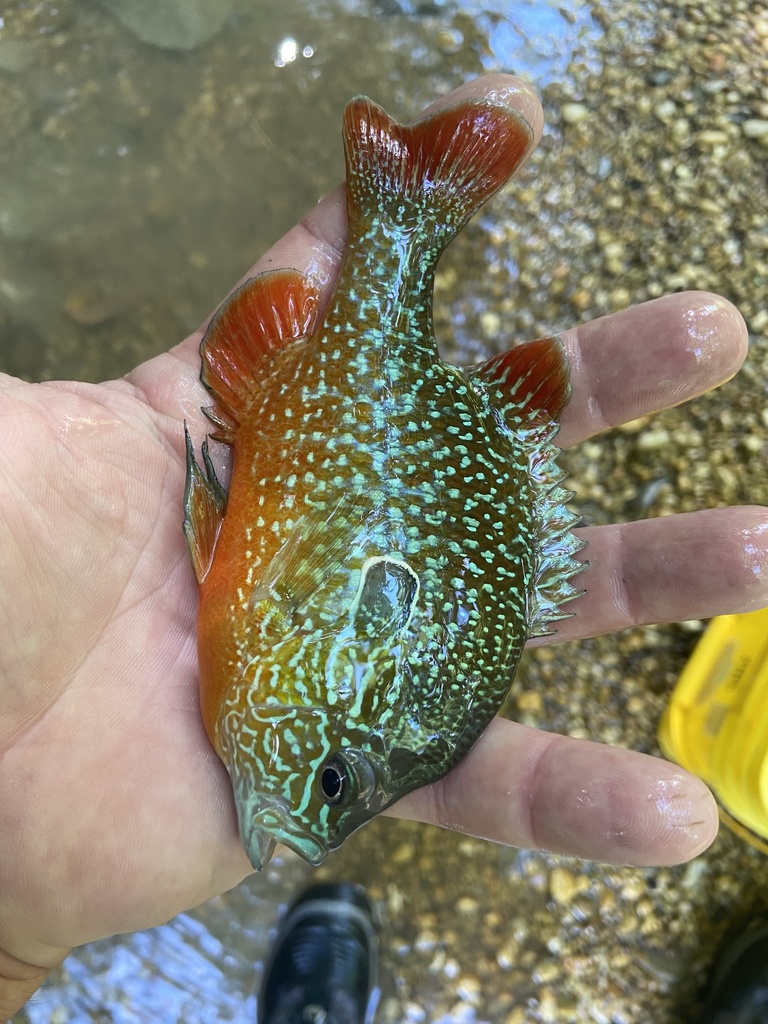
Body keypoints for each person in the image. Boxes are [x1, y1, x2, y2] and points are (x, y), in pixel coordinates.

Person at [0, 73, 766, 1020]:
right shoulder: (269, 657)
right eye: (332, 780)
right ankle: (404, 217)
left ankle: (404, 215)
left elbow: (215, 530)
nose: (303, 828)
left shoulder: (266, 670)